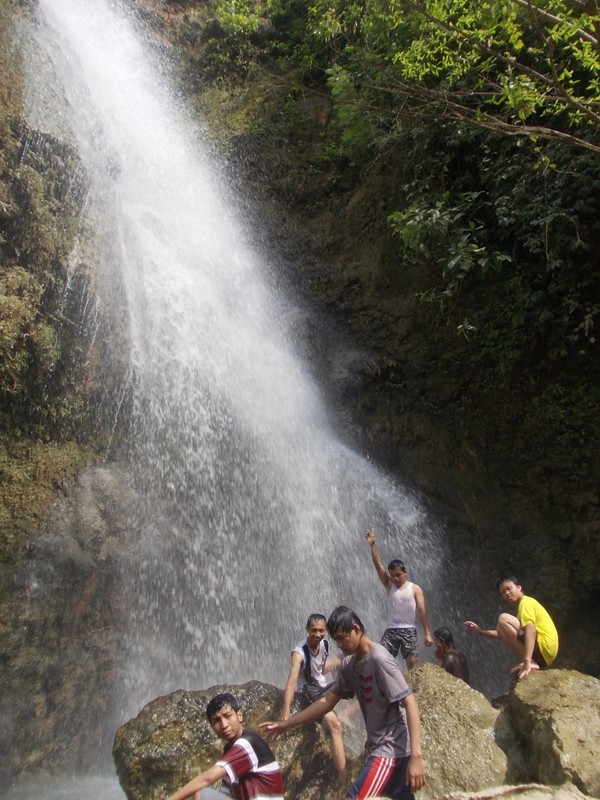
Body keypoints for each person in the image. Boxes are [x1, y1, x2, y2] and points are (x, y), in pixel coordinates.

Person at [261, 605, 427, 800]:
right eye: (336, 640)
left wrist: (416, 757)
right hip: (380, 748)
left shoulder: (380, 659)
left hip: (391, 751)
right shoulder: (350, 664)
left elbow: (410, 703)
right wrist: (287, 723)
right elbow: (326, 701)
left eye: (342, 638)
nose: (339, 645)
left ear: (356, 629)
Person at [166, 692, 284, 800]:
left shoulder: (247, 743)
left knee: (202, 795)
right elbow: (227, 794)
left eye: (227, 716)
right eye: (217, 720)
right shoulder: (230, 750)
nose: (224, 725)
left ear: (239, 716)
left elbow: (209, 778)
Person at [281, 613, 347, 781]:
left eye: (321, 631)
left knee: (352, 679)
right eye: (314, 630)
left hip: (321, 687)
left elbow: (320, 670)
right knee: (334, 725)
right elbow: (291, 682)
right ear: (307, 629)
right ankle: (344, 779)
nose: (318, 634)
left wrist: (336, 665)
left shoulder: (325, 644)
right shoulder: (299, 653)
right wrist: (286, 713)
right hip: (308, 691)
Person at [465, 576, 559, 681]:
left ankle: (529, 661)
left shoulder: (526, 602)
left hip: (544, 647)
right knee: (501, 627)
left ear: (519, 587)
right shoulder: (521, 611)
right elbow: (503, 633)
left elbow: (531, 630)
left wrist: (526, 661)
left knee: (503, 618)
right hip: (545, 656)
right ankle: (531, 661)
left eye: (509, 588)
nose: (507, 593)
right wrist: (481, 631)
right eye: (503, 593)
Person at [365, 528, 433, 668]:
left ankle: (412, 682)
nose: (395, 578)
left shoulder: (415, 588)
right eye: (393, 575)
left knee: (413, 663)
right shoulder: (389, 585)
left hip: (409, 629)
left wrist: (427, 633)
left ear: (405, 572)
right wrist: (372, 545)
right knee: (380, 658)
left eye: (398, 575)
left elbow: (422, 610)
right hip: (392, 629)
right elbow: (378, 565)